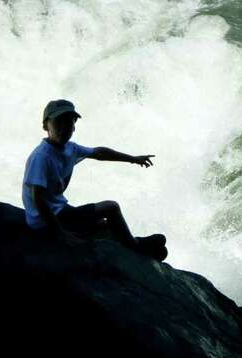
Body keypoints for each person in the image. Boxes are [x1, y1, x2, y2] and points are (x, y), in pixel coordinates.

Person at [22, 98, 167, 260]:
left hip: (60, 211)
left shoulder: (70, 148)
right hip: (44, 223)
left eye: (69, 122)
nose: (64, 128)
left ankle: (134, 245)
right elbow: (38, 199)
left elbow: (99, 153)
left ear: (74, 126)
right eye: (59, 122)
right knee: (111, 208)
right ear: (45, 126)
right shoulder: (41, 157)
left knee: (105, 225)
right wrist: (61, 234)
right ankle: (136, 247)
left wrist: (133, 158)